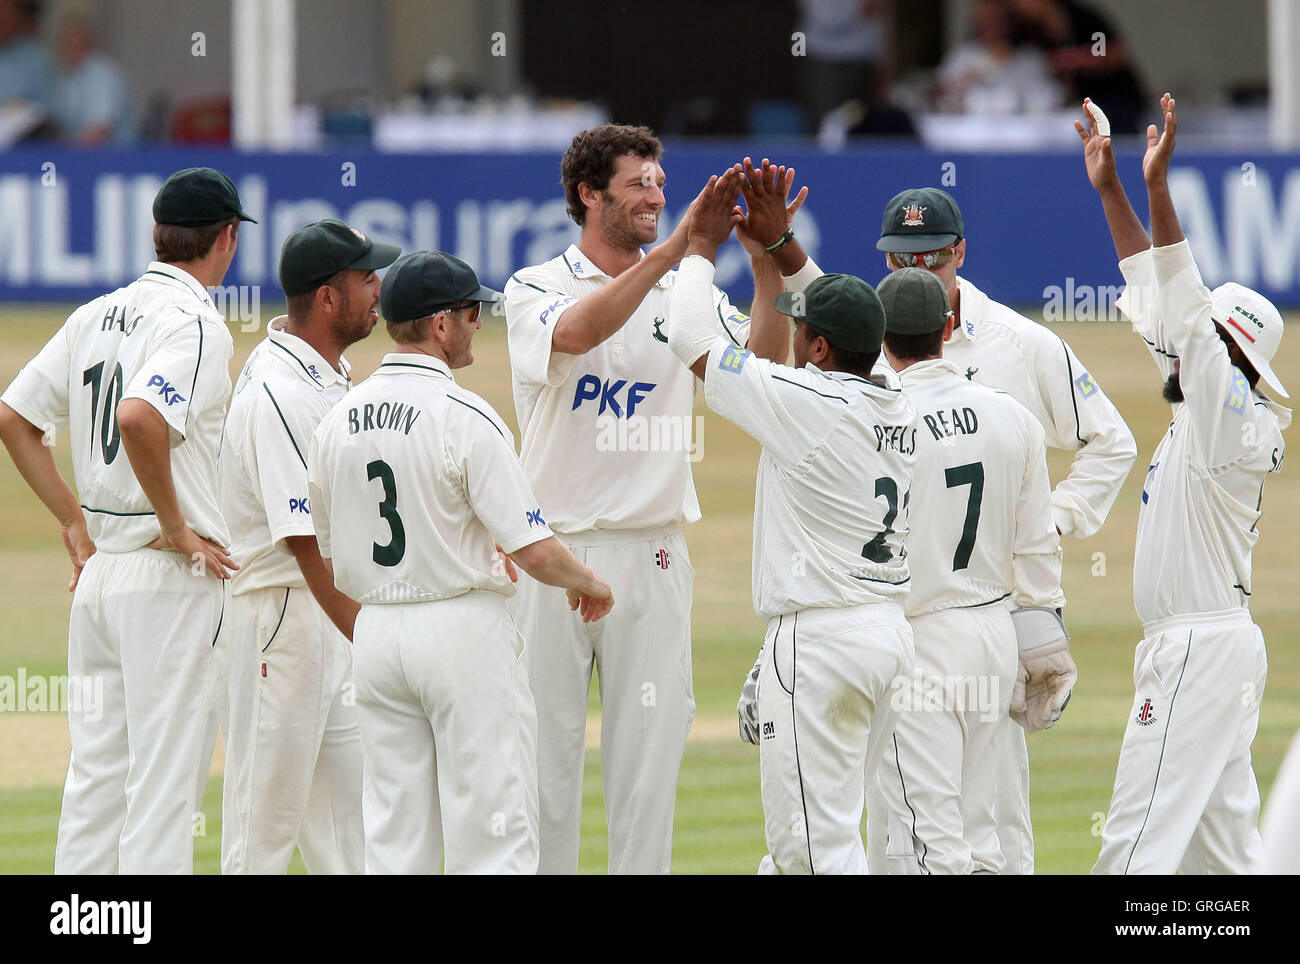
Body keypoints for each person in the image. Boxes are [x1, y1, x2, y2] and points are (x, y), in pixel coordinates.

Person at [779, 179, 1136, 874]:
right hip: (914, 625)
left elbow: (1110, 441)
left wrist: (1045, 524)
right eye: (903, 260)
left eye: (933, 258)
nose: (919, 273)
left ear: (961, 252)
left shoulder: (1017, 342)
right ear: (886, 262)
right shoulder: (864, 347)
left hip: (966, 618)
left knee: (977, 824)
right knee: (913, 825)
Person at [502, 127, 799, 874]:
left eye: (661, 183)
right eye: (640, 184)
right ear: (588, 195)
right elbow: (574, 333)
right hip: (553, 558)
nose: (659, 197)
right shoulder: (535, 286)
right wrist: (678, 252)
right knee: (543, 777)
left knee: (647, 779)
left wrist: (764, 263)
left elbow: (759, 371)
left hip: (653, 553)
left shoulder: (684, 294)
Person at [308, 250, 614, 874]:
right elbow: (532, 549)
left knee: (395, 832)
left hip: (374, 633)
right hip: (459, 631)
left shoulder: (336, 420)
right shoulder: (465, 415)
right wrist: (589, 581)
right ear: (440, 324)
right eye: (472, 313)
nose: (480, 324)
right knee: (493, 822)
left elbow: (332, 548)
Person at [0, 167, 254, 873]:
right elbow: (139, 418)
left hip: (102, 578)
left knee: (95, 784)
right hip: (167, 580)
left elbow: (13, 418)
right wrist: (175, 525)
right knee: (164, 793)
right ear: (226, 239)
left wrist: (75, 522)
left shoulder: (95, 313)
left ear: (156, 235)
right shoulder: (198, 323)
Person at [666, 169, 915, 874]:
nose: (793, 333)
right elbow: (846, 311)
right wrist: (780, 244)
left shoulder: (807, 405)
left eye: (803, 329)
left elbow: (689, 335)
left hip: (822, 640)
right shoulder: (895, 395)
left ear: (820, 349)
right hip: (886, 633)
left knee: (811, 850)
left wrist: (699, 245)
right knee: (835, 834)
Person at [1080, 94, 1289, 874]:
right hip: (1207, 646)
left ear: (1226, 360)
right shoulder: (1203, 409)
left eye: (1189, 348)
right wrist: (1111, 192)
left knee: (1132, 849)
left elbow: (1187, 314)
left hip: (1198, 649)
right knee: (1223, 863)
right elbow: (1159, 297)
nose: (1165, 353)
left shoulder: (1232, 414)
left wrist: (1158, 188)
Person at [872, 266, 1068, 874]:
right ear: (949, 327)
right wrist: (1044, 645)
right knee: (981, 838)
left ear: (881, 337)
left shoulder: (877, 421)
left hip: (916, 639)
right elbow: (1037, 546)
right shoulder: (1014, 418)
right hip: (992, 637)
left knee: (925, 842)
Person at [219, 219, 400, 875]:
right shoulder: (279, 390)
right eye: (365, 278)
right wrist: (367, 634)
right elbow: (301, 538)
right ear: (328, 298)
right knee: (260, 833)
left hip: (326, 616)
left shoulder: (328, 373)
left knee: (351, 832)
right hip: (283, 620)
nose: (378, 288)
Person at [1010, 0, 1144, 133]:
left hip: (1116, 102)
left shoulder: (1083, 18)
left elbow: (1116, 54)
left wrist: (1068, 61)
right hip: (1071, 110)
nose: (1017, 5)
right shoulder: (1026, 30)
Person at [51, 13, 137, 145]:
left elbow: (98, 133)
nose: (72, 50)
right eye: (67, 44)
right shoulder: (65, 77)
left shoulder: (104, 74)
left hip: (116, 159)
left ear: (89, 43)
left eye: (78, 44)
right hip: (83, 156)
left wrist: (61, 150)